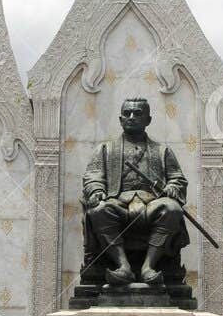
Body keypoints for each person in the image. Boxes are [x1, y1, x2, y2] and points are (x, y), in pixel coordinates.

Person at [81, 95, 190, 287]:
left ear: (148, 119)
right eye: (127, 113)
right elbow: (93, 176)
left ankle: (149, 267)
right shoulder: (105, 149)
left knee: (172, 209)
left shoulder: (162, 151)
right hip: (118, 203)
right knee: (98, 210)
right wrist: (96, 190)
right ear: (121, 119)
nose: (131, 116)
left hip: (152, 204)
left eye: (137, 113)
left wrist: (173, 187)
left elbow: (177, 178)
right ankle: (124, 267)